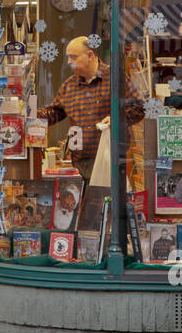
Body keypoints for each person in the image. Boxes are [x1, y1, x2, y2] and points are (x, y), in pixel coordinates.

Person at [37, 36, 145, 220]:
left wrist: (117, 118)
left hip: (110, 161)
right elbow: (54, 112)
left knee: (111, 217)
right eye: (68, 58)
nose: (69, 62)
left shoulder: (115, 80)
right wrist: (29, 117)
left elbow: (139, 107)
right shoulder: (70, 85)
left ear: (90, 55)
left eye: (73, 57)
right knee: (86, 218)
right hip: (80, 165)